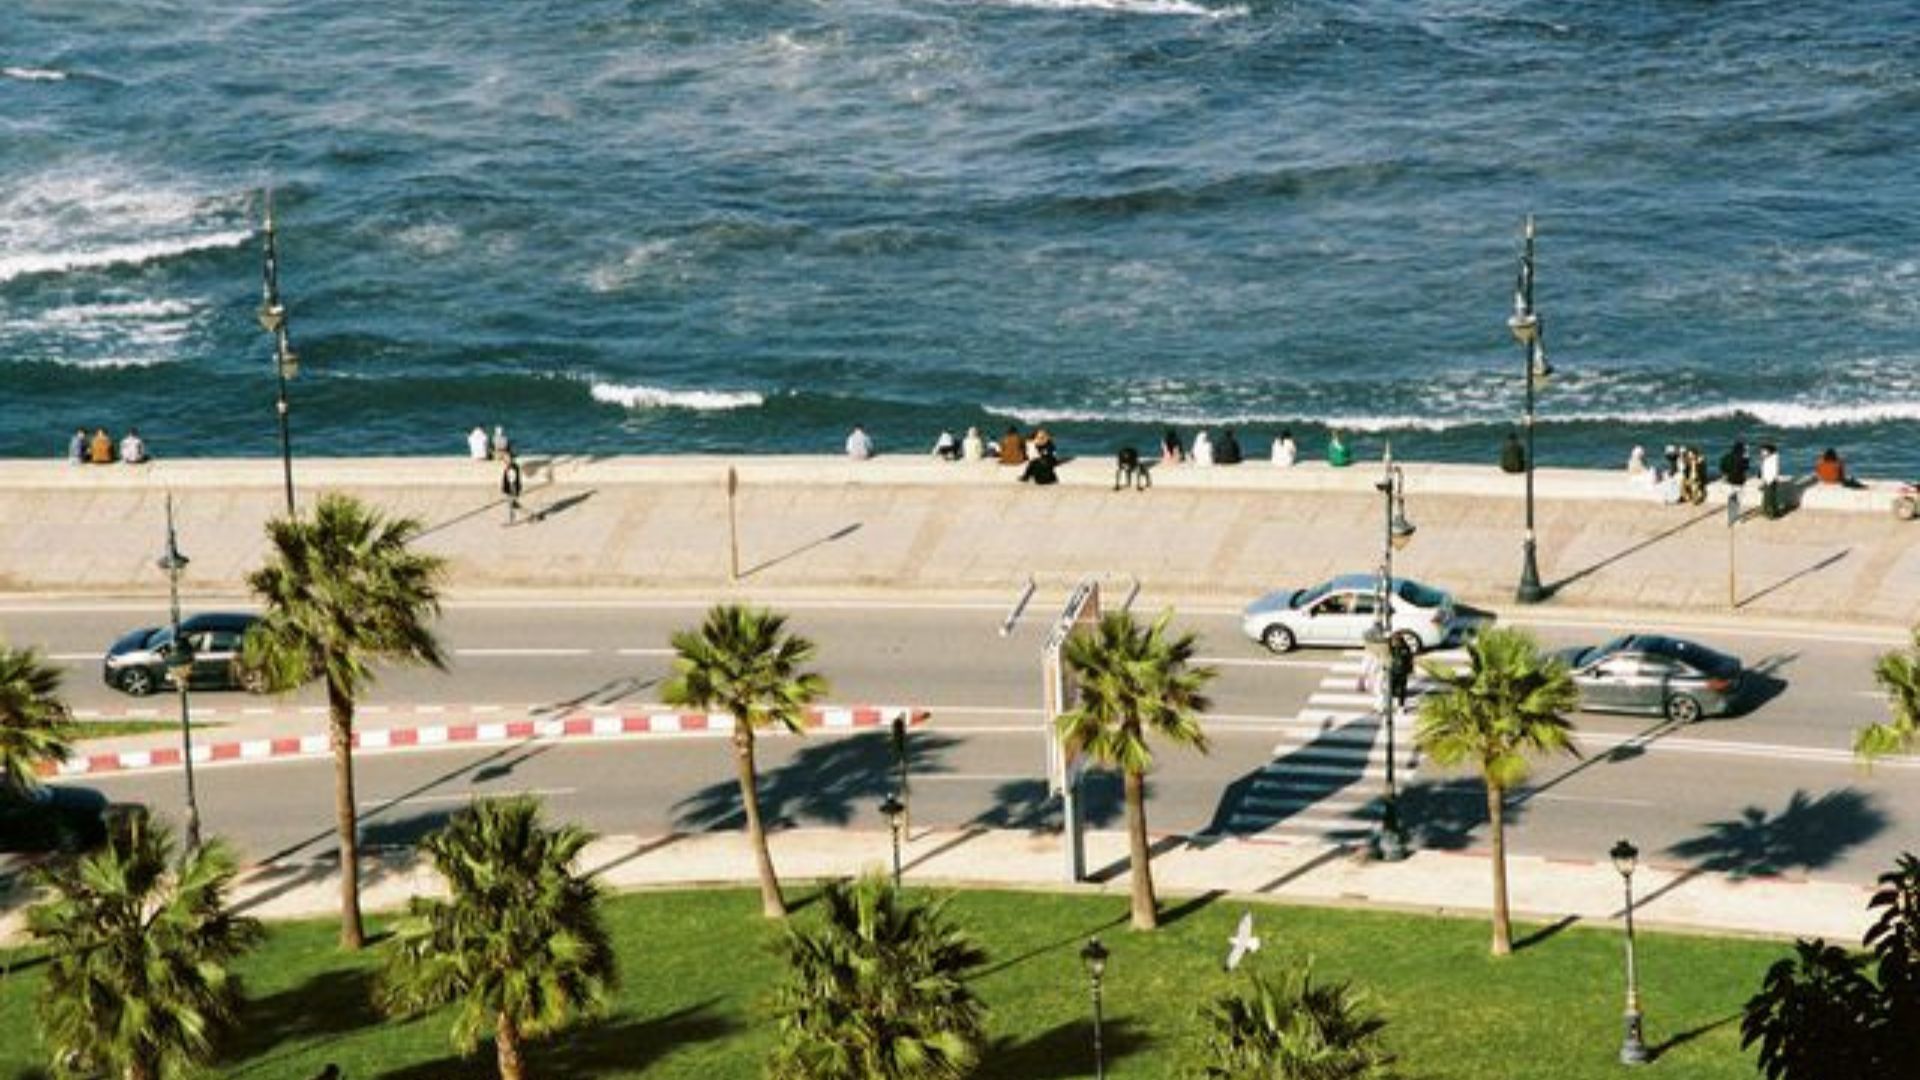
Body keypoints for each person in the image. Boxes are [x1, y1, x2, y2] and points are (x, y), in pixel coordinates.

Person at [1387, 633, 1414, 709]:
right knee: (1392, 688)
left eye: (1396, 640)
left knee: (1401, 689)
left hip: (1401, 671)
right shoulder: (1391, 648)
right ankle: (1394, 703)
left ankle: (1400, 705)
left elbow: (1409, 660)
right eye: (1394, 640)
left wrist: (1410, 669)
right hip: (1394, 671)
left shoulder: (1404, 648)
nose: (1395, 642)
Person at [1759, 442, 1783, 517]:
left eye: (1763, 451)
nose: (1761, 452)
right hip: (1767, 480)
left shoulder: (1773, 458)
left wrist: (1772, 479)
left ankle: (1771, 513)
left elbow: (1775, 470)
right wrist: (1763, 480)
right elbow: (1763, 470)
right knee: (1767, 497)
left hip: (1771, 480)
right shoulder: (1766, 458)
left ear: (1769, 451)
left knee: (1770, 497)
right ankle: (1767, 511)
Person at [500, 451, 524, 525]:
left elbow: (512, 481)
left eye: (506, 458)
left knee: (512, 506)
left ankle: (512, 521)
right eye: (504, 458)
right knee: (514, 505)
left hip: (512, 490)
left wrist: (513, 492)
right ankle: (531, 514)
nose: (504, 460)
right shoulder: (512, 467)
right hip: (511, 490)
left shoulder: (511, 468)